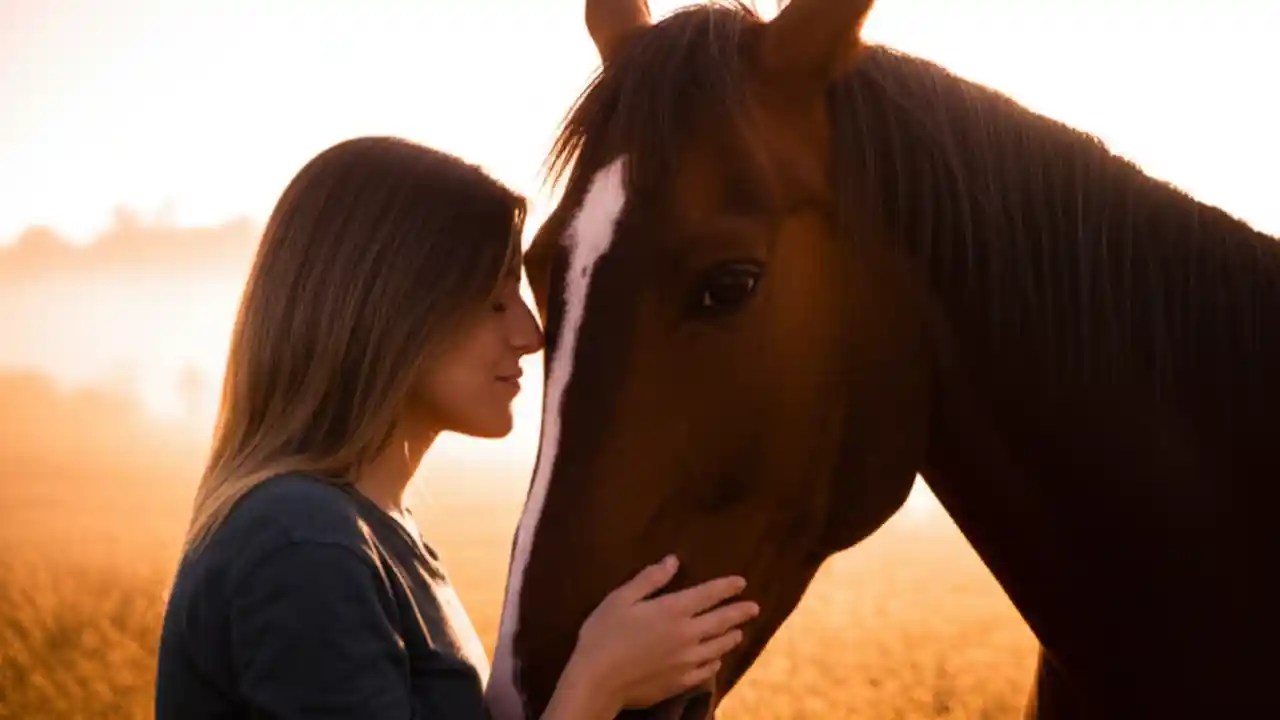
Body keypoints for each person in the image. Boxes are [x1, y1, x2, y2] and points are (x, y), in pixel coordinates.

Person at [154, 137, 759, 719]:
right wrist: (597, 684)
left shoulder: (371, 533)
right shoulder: (304, 542)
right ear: (390, 310)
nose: (530, 334)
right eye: (494, 301)